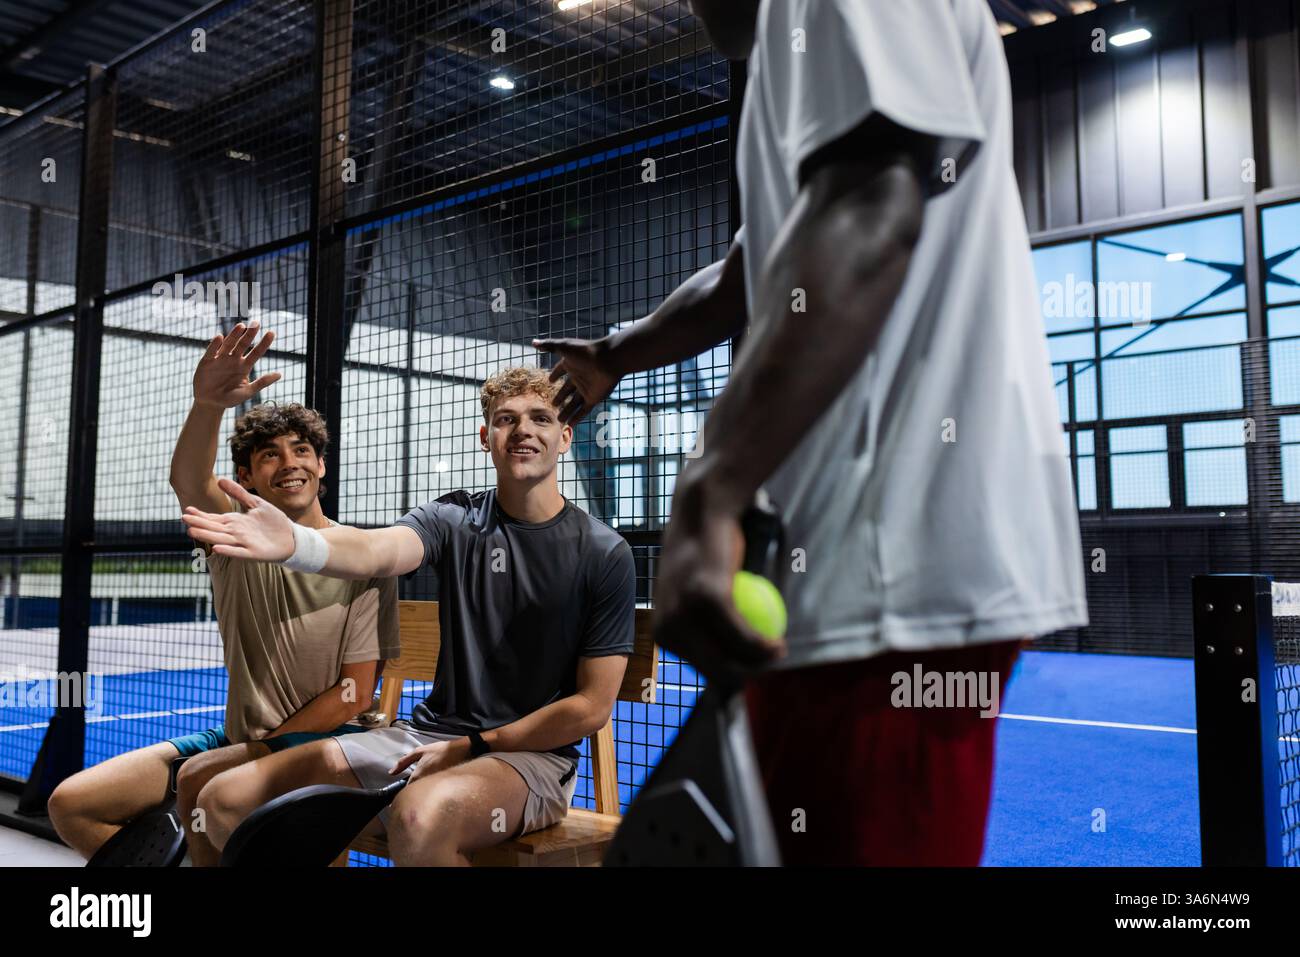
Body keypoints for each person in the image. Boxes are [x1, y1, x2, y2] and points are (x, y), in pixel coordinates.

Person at [530, 0, 1088, 865]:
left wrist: (712, 489)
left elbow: (870, 208)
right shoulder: (808, 54)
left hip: (891, 551)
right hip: (844, 556)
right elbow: (756, 269)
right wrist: (617, 351)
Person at [180, 365, 636, 866]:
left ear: (565, 437)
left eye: (541, 419)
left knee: (418, 818)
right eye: (506, 419)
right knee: (222, 800)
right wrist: (297, 543)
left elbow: (591, 707)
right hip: (421, 736)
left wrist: (474, 745)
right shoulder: (453, 517)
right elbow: (378, 549)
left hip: (529, 758)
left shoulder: (602, 552)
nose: (523, 430)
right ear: (487, 438)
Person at [47, 321, 399, 866]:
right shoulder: (233, 537)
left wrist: (258, 753)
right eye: (269, 456)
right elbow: (190, 481)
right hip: (237, 735)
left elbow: (354, 696)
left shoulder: (362, 557)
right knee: (72, 803)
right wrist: (208, 403)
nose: (289, 463)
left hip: (325, 741)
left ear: (321, 466)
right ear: (246, 478)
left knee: (206, 784)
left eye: (301, 449)